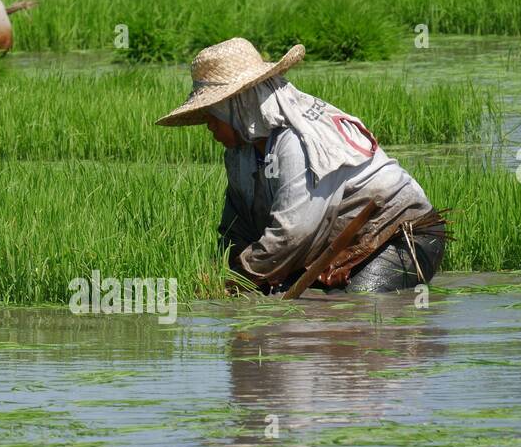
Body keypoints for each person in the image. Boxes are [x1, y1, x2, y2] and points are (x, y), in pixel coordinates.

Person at [156, 38, 448, 294]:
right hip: (335, 245)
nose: (208, 124)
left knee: (355, 311)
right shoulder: (240, 153)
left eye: (212, 114)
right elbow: (237, 227)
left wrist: (237, 279)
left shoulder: (297, 141)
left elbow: (294, 233)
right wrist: (220, 271)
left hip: (398, 237)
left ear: (237, 106)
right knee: (289, 302)